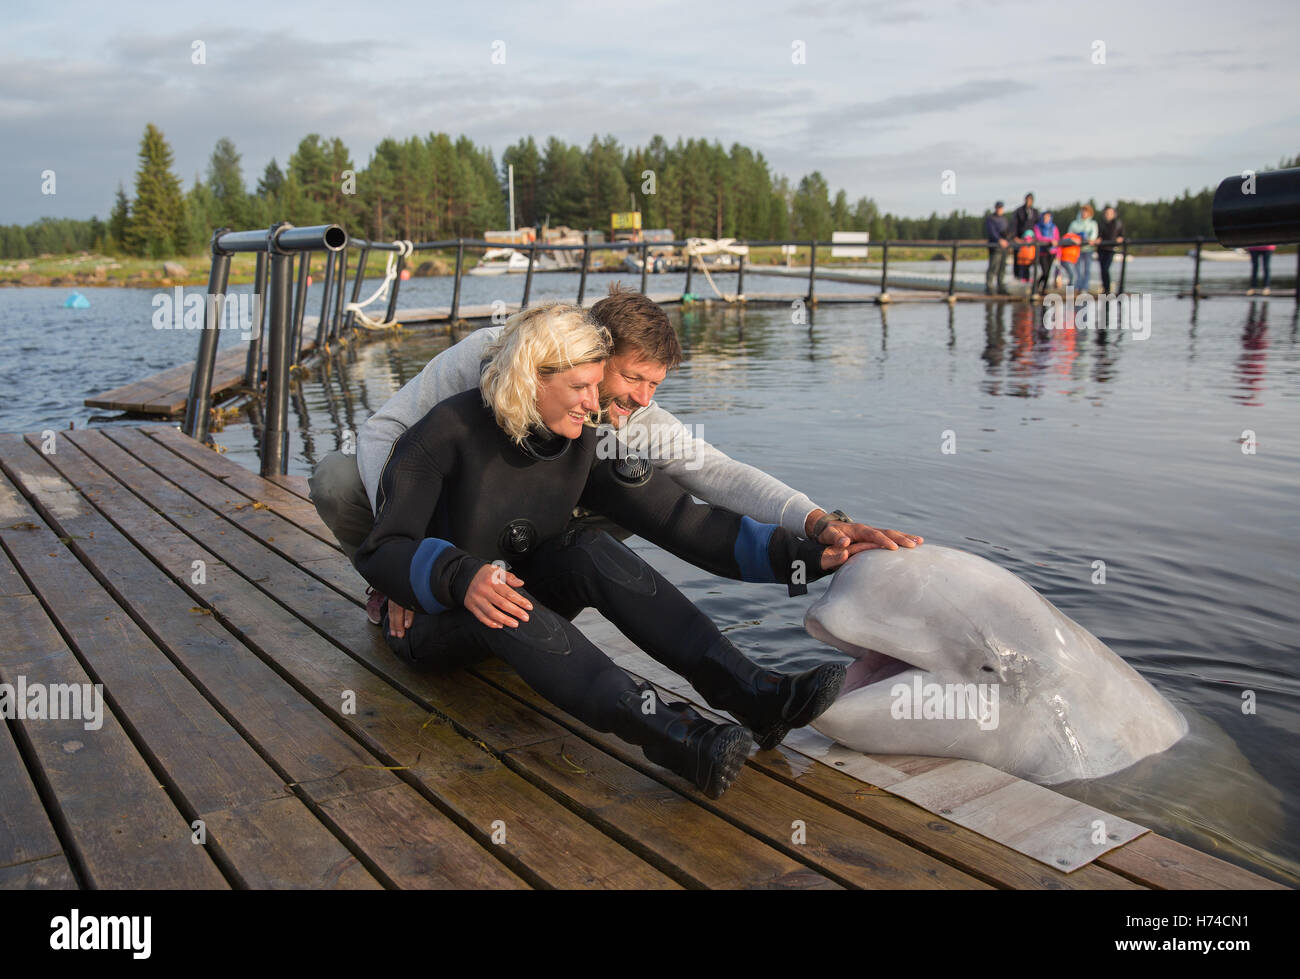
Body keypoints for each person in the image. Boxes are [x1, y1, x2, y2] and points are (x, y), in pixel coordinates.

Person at [352, 303, 862, 799]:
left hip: (518, 600)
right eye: (580, 387)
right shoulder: (444, 431)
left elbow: (682, 518)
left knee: (590, 547)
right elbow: (384, 549)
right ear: (531, 379)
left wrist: (805, 554)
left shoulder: (584, 438)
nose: (593, 403)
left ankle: (754, 693)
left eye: (596, 386)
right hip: (438, 623)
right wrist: (452, 577)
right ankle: (678, 737)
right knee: (500, 590)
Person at [310, 285, 922, 633]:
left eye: (656, 386)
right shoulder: (486, 357)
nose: (642, 401)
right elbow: (382, 430)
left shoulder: (633, 416)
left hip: (522, 526)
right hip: (440, 510)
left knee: (639, 494)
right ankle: (396, 590)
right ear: (595, 358)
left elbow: (716, 471)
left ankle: (539, 597)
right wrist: (404, 558)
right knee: (336, 479)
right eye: (632, 379)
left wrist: (817, 522)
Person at [1067, 204, 1100, 292]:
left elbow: (1093, 235)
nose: (1084, 213)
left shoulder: (1093, 223)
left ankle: (1085, 287)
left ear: (1089, 213)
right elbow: (1069, 234)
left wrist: (1090, 239)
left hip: (1088, 249)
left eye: (1086, 211)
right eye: (1083, 211)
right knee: (1077, 269)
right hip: (1076, 250)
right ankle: (1078, 286)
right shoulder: (1074, 223)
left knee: (1087, 269)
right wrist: (1074, 239)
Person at [1097, 205, 1125, 295]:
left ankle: (1107, 289)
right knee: (1102, 269)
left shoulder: (1118, 223)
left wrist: (1120, 238)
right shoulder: (1101, 223)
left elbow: (1122, 234)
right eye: (1106, 213)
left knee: (1106, 268)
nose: (1108, 215)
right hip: (1101, 248)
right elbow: (1098, 235)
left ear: (1114, 214)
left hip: (1111, 248)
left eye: (1110, 213)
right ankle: (1105, 288)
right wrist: (1098, 239)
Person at [984, 201, 1010, 295]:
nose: (1000, 210)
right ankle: (989, 287)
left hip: (1004, 247)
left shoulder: (1004, 219)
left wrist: (1007, 239)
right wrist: (999, 240)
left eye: (1001, 208)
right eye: (998, 208)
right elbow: (992, 232)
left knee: (1002, 267)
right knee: (993, 266)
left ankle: (1001, 287)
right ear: (995, 208)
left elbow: (1007, 231)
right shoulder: (991, 219)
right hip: (995, 246)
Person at [1033, 211, 1060, 295]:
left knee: (1048, 272)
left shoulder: (1054, 227)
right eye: (1044, 217)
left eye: (1048, 217)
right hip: (1042, 252)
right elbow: (1039, 237)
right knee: (1045, 271)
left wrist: (1058, 254)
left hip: (1052, 252)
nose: (1046, 219)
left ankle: (1044, 288)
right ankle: (1037, 284)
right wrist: (1050, 240)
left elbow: (1057, 239)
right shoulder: (1037, 227)